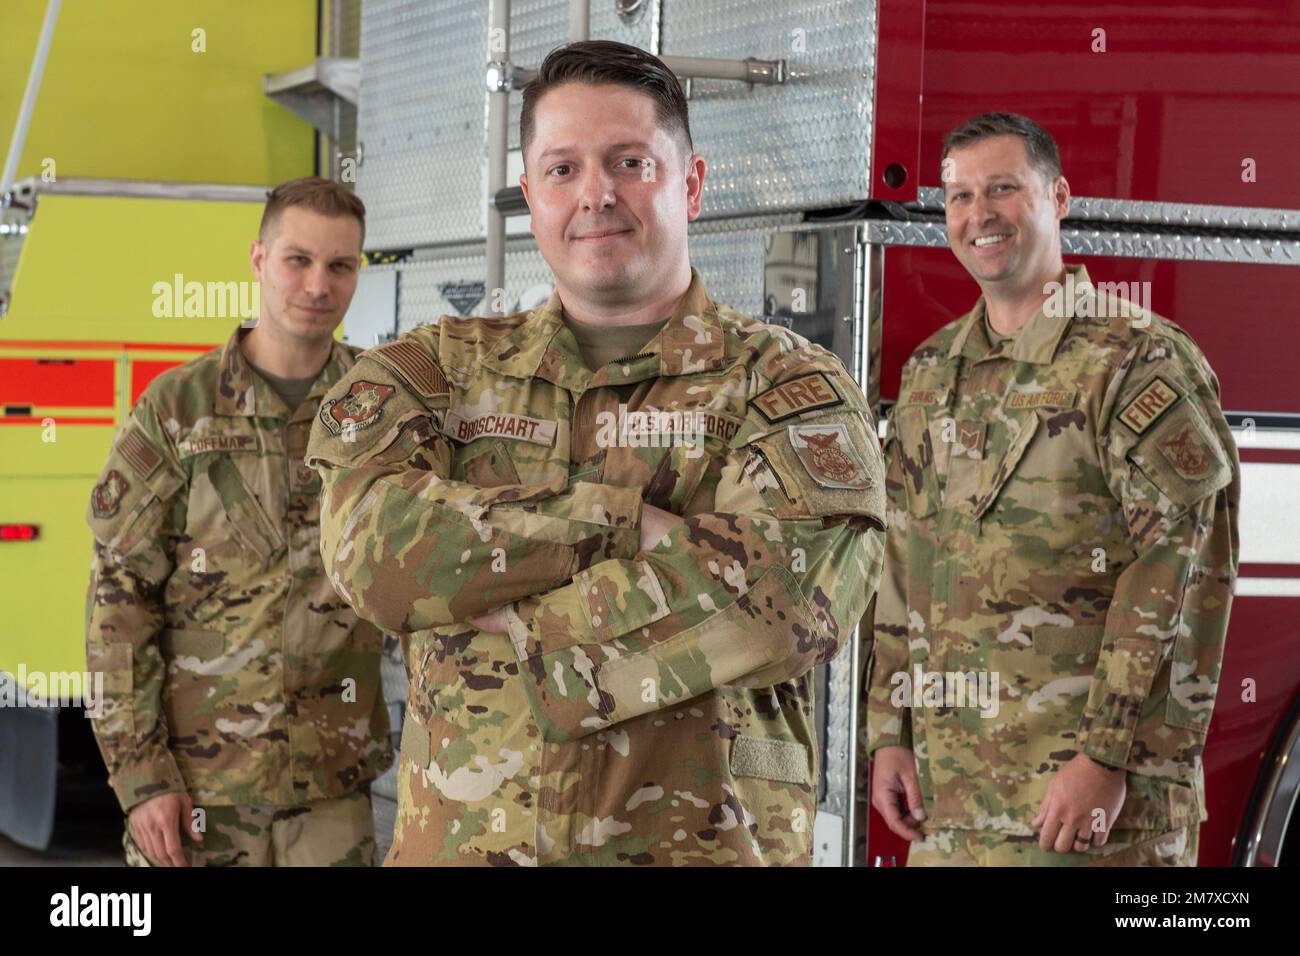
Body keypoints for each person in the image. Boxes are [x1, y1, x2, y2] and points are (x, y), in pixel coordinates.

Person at [306, 40, 886, 866]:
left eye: (629, 162)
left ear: (689, 182)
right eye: (562, 169)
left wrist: (509, 613)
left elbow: (787, 605)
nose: (597, 195)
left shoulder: (784, 384)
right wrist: (621, 527)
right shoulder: (437, 371)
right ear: (531, 192)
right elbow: (372, 555)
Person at [863, 113, 1240, 866]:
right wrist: (890, 733)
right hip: (953, 807)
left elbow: (1181, 564)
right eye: (960, 196)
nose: (980, 215)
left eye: (1004, 188)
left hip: (1087, 812)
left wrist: (1105, 757)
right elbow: (904, 556)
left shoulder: (1135, 358)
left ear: (1058, 197)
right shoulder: (934, 371)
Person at [86, 177, 392, 866]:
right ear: (258, 260)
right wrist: (140, 778)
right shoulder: (178, 408)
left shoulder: (379, 407)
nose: (318, 284)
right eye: (298, 259)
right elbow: (118, 603)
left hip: (331, 792)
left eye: (340, 265)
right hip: (199, 790)